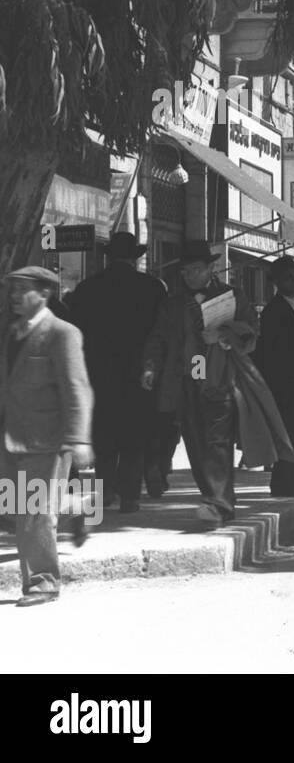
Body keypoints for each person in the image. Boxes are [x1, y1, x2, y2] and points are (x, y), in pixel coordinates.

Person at [141, 240, 256, 525]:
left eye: (195, 269)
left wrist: (223, 336)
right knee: (195, 441)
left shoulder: (233, 296)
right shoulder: (173, 303)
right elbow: (157, 338)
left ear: (210, 267)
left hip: (218, 377)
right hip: (187, 379)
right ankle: (216, 495)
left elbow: (251, 331)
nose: (189, 275)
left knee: (218, 439)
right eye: (185, 271)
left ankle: (218, 500)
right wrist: (150, 367)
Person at [0, 266, 95, 606]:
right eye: (12, 290)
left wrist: (79, 438)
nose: (14, 296)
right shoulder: (11, 333)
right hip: (11, 434)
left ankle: (43, 582)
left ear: (44, 294)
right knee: (11, 505)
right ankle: (78, 505)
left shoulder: (62, 333)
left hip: (47, 438)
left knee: (33, 512)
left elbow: (76, 388)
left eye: (22, 290)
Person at [64, 232, 166, 512]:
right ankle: (130, 493)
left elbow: (77, 334)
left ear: (109, 256)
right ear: (136, 257)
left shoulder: (87, 288)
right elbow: (161, 333)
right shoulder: (153, 288)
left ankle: (106, 490)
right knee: (135, 434)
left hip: (99, 373)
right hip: (139, 372)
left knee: (104, 433)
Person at [253, 256, 294, 497]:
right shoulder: (275, 310)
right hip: (285, 381)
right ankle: (285, 482)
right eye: (289, 277)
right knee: (288, 433)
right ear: (278, 282)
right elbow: (273, 351)